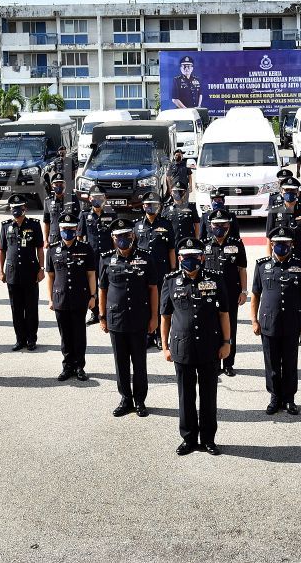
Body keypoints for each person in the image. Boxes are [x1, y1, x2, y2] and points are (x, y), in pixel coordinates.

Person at [160, 238, 231, 456]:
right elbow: (165, 316)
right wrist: (165, 346)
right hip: (182, 347)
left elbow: (224, 314)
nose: (190, 261)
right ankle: (188, 438)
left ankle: (208, 439)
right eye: (185, 257)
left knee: (208, 396)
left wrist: (227, 343)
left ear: (202, 257)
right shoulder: (170, 281)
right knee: (186, 395)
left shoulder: (215, 279)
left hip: (210, 346)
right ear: (180, 258)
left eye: (194, 257)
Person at [99, 218, 158, 417]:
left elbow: (153, 289)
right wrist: (102, 316)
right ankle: (126, 399)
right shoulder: (106, 259)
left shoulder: (146, 257)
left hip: (140, 318)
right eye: (119, 237)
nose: (123, 240)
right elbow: (102, 289)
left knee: (139, 362)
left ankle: (140, 400)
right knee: (121, 362)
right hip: (116, 318)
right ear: (113, 238)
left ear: (133, 236)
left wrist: (154, 318)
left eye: (127, 236)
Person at [252, 227, 301, 414]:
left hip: (292, 322)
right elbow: (255, 296)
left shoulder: (300, 266)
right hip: (269, 323)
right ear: (272, 245)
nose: (281, 247)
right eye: (278, 244)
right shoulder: (262, 266)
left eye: (285, 244)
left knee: (290, 363)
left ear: (291, 245)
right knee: (272, 363)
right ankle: (274, 396)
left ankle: (289, 398)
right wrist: (254, 320)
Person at [265, 176, 301, 347]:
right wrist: (268, 260)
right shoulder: (274, 211)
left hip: (300, 261)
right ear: (282, 192)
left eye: (293, 191)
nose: (290, 194)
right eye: (287, 191)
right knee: (281, 296)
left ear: (298, 192)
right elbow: (268, 240)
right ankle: (281, 329)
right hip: (279, 260)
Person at [46, 213, 94, 381]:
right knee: (65, 335)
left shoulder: (85, 248)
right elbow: (50, 276)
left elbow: (91, 275)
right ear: (60, 230)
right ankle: (67, 366)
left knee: (79, 334)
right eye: (65, 230)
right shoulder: (52, 249)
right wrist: (50, 299)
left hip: (80, 297)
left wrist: (93, 295)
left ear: (76, 230)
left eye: (71, 229)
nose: (68, 232)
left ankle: (80, 366)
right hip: (61, 298)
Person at [203, 209, 248, 376]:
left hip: (230, 293)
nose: (220, 227)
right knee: (212, 328)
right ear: (210, 225)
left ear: (229, 226)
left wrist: (243, 291)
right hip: (210, 295)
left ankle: (228, 363)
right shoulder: (205, 244)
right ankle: (215, 361)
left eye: (223, 225)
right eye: (216, 225)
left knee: (230, 329)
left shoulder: (236, 244)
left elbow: (241, 269)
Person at [0, 194, 45, 351]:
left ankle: (31, 339)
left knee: (31, 308)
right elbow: (2, 250)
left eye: (19, 208)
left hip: (30, 271)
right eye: (13, 209)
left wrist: (41, 268)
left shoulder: (34, 224)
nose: (16, 211)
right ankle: (20, 339)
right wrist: (1, 270)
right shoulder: (6, 226)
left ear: (25, 208)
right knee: (16, 308)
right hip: (12, 272)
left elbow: (40, 247)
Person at [135, 192, 175, 347]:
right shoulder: (137, 225)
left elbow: (171, 249)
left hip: (161, 271)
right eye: (148, 204)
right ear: (143, 206)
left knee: (160, 303)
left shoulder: (165, 224)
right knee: (144, 303)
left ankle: (159, 334)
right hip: (142, 273)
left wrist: (172, 269)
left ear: (159, 207)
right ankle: (148, 333)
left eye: (154, 204)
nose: (150, 207)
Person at [78, 187, 117, 325]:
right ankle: (95, 313)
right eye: (94, 197)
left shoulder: (111, 215)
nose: (97, 199)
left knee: (108, 284)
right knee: (92, 285)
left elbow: (115, 238)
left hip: (107, 256)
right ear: (89, 199)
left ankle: (107, 311)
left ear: (104, 198)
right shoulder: (84, 215)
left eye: (100, 197)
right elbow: (80, 236)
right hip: (91, 256)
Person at [43, 173, 78, 246]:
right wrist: (46, 240)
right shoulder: (48, 201)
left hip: (70, 236)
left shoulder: (73, 198)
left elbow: (78, 219)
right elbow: (46, 222)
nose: (59, 187)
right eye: (56, 185)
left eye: (61, 184)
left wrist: (78, 236)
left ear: (65, 185)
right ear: (52, 186)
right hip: (55, 238)